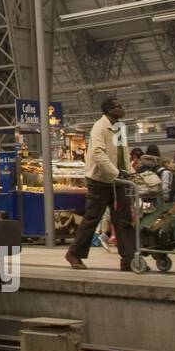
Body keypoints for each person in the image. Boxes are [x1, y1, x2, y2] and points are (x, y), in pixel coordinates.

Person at [66, 96, 137, 271]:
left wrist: (129, 173)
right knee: (92, 218)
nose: (121, 108)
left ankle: (129, 259)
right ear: (108, 110)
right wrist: (116, 171)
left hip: (118, 180)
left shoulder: (119, 127)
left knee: (124, 219)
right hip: (99, 180)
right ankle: (74, 254)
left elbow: (123, 153)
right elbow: (98, 154)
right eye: (117, 106)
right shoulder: (99, 127)